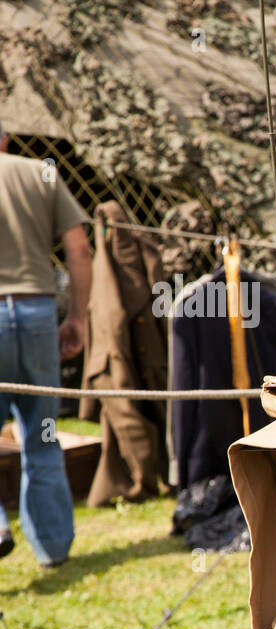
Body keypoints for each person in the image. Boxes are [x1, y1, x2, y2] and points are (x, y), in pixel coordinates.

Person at [0, 121, 92, 567]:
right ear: (4, 139)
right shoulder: (42, 174)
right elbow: (80, 250)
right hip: (38, 315)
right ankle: (53, 551)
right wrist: (76, 317)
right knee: (42, 435)